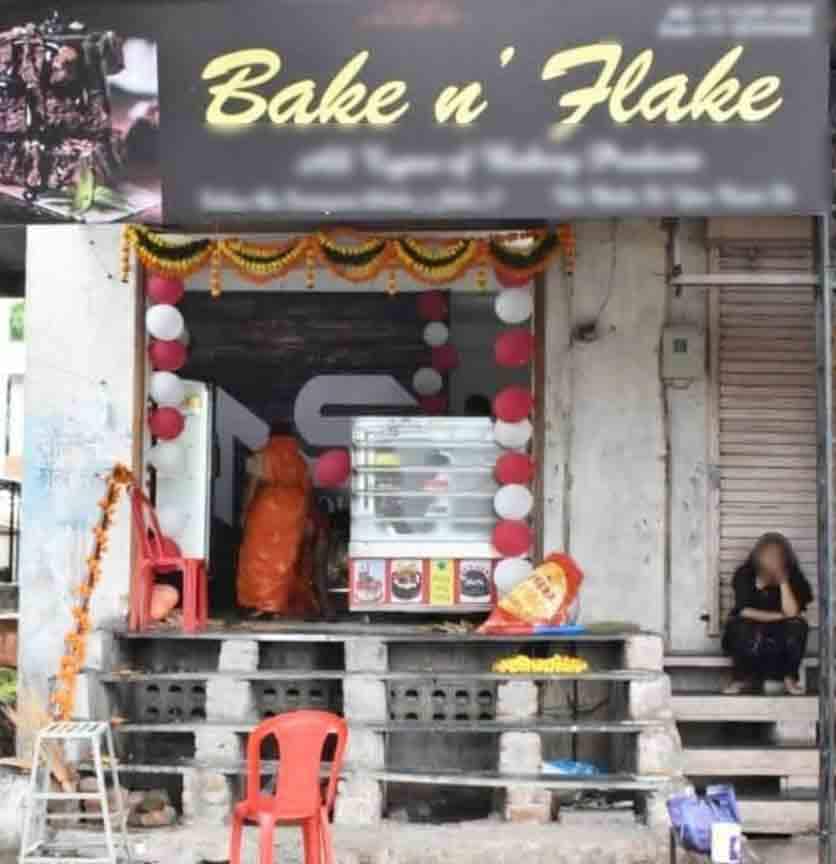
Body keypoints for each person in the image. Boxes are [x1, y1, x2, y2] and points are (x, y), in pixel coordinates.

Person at [236, 420, 319, 618]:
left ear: (270, 434)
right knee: (284, 559)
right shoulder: (300, 460)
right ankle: (277, 605)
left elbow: (252, 487)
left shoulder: (261, 455)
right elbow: (308, 490)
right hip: (293, 510)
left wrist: (244, 511)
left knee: (257, 558)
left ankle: (259, 604)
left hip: (266, 508)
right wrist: (306, 515)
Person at [722, 532, 813, 696]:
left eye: (777, 555)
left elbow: (793, 612)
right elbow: (744, 611)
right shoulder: (745, 574)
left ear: (785, 557)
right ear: (758, 555)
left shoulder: (794, 577)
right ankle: (740, 679)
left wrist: (783, 582)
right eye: (767, 555)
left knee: (799, 626)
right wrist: (782, 616)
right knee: (739, 626)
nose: (772, 560)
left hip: (779, 638)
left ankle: (790, 679)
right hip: (751, 634)